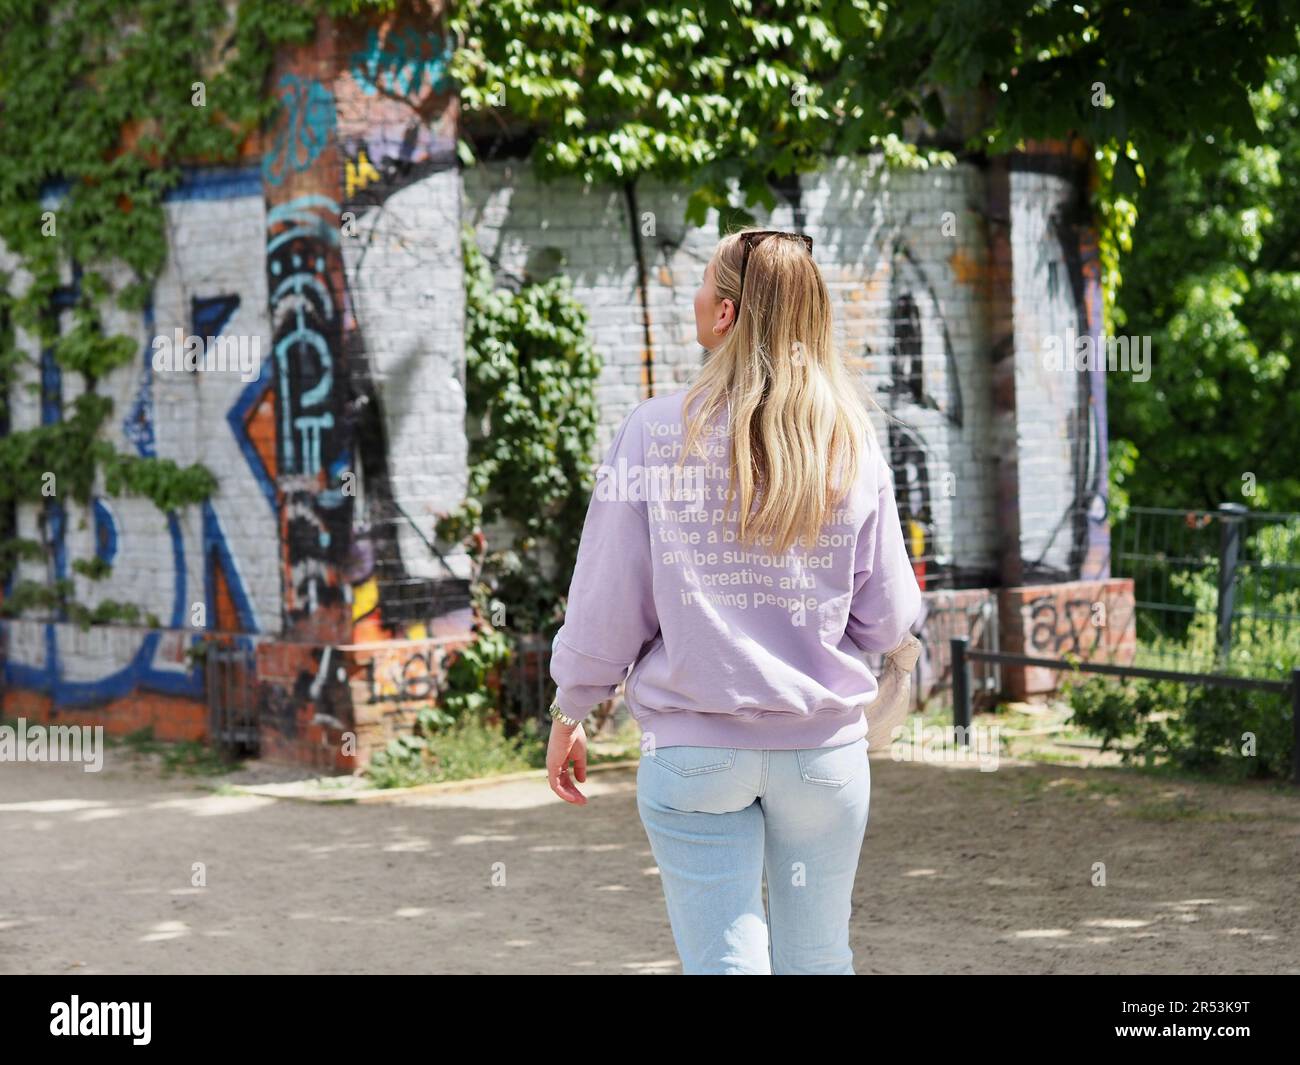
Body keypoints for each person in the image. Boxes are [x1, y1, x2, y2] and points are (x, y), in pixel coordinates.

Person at [546, 227, 924, 974]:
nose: (691, 298)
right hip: (824, 755)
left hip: (694, 756)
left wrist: (572, 706)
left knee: (724, 962)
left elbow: (605, 602)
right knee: (819, 956)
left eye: (701, 285)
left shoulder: (653, 434)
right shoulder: (849, 441)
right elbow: (887, 616)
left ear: (724, 314)